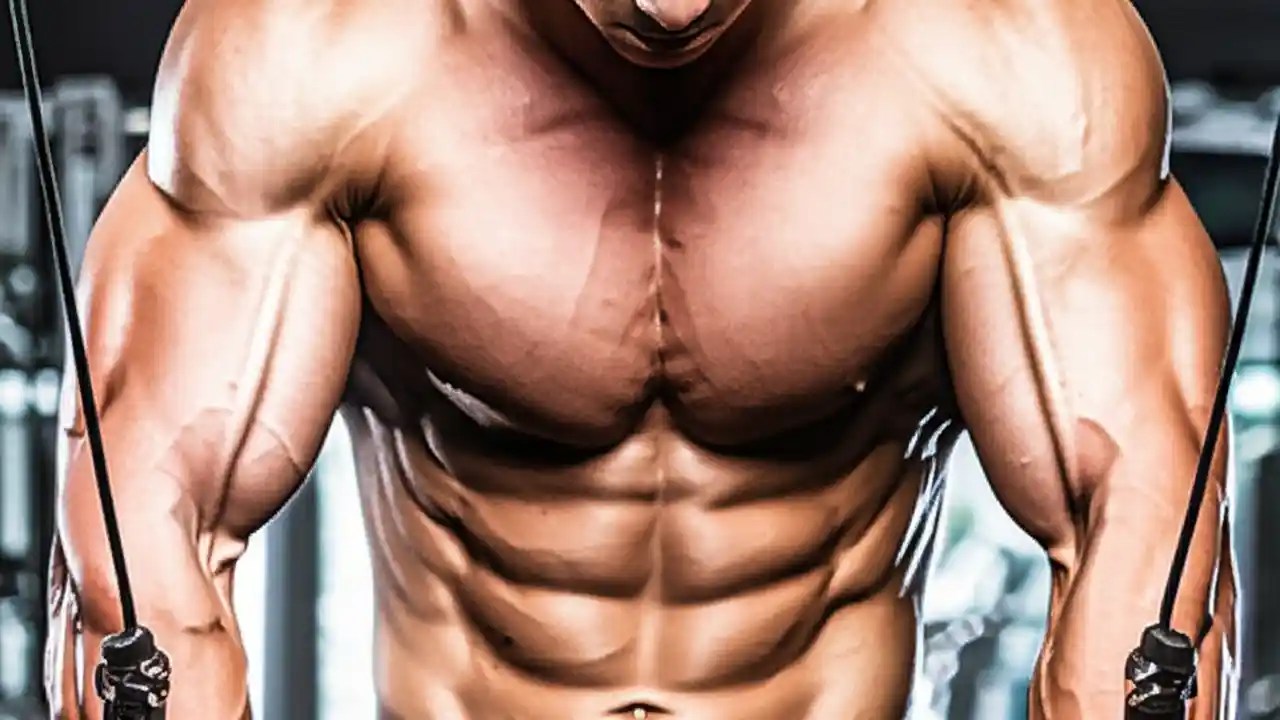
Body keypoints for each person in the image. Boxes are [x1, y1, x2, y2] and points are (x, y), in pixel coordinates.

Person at [46, 0, 1238, 717]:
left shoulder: (1004, 59)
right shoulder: (317, 56)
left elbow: (1141, 560)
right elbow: (145, 575)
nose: (671, 10)